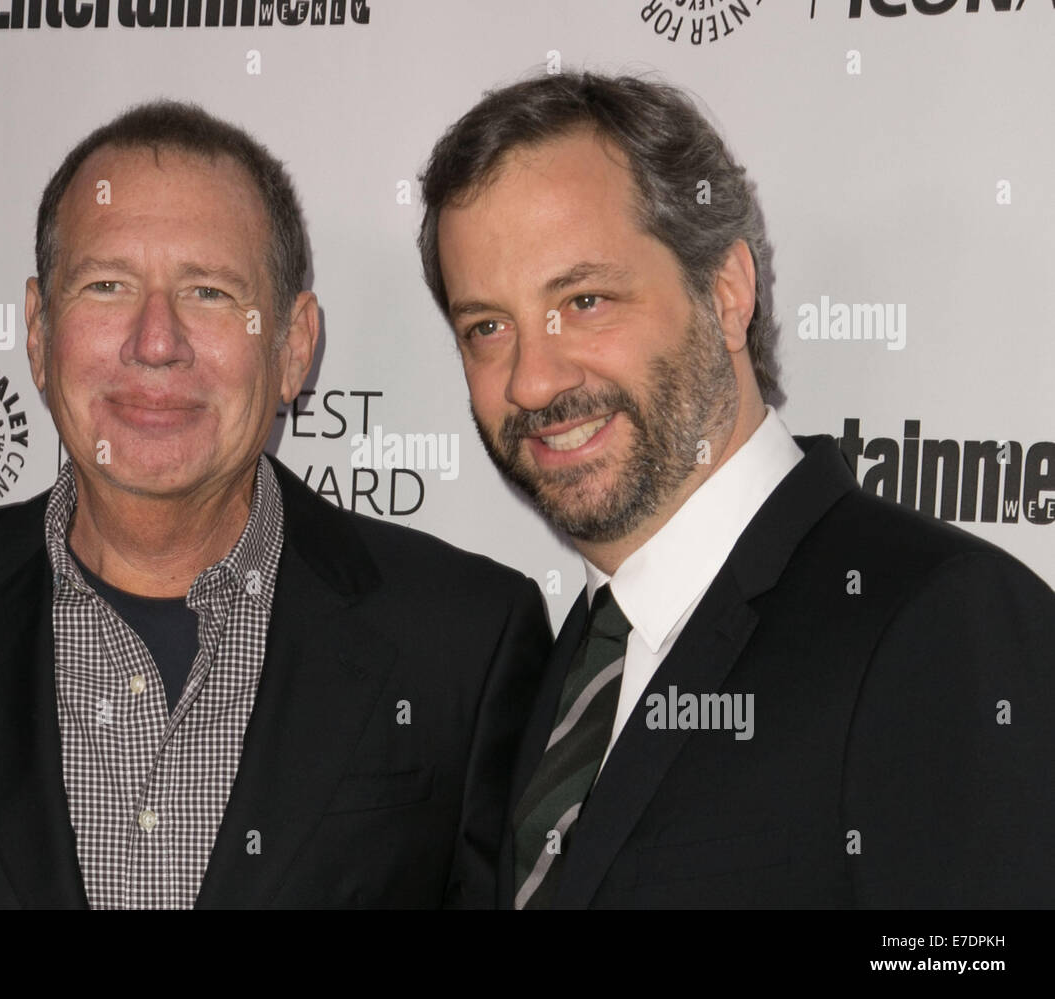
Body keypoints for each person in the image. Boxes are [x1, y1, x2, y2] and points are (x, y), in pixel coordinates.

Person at [0, 100, 550, 909]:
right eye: (107, 285)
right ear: (39, 334)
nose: (155, 341)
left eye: (210, 292)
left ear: (293, 348)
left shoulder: (466, 640)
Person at [417, 70, 1055, 908]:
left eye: (586, 298)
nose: (534, 380)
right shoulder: (561, 669)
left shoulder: (940, 619)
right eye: (488, 327)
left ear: (725, 293)